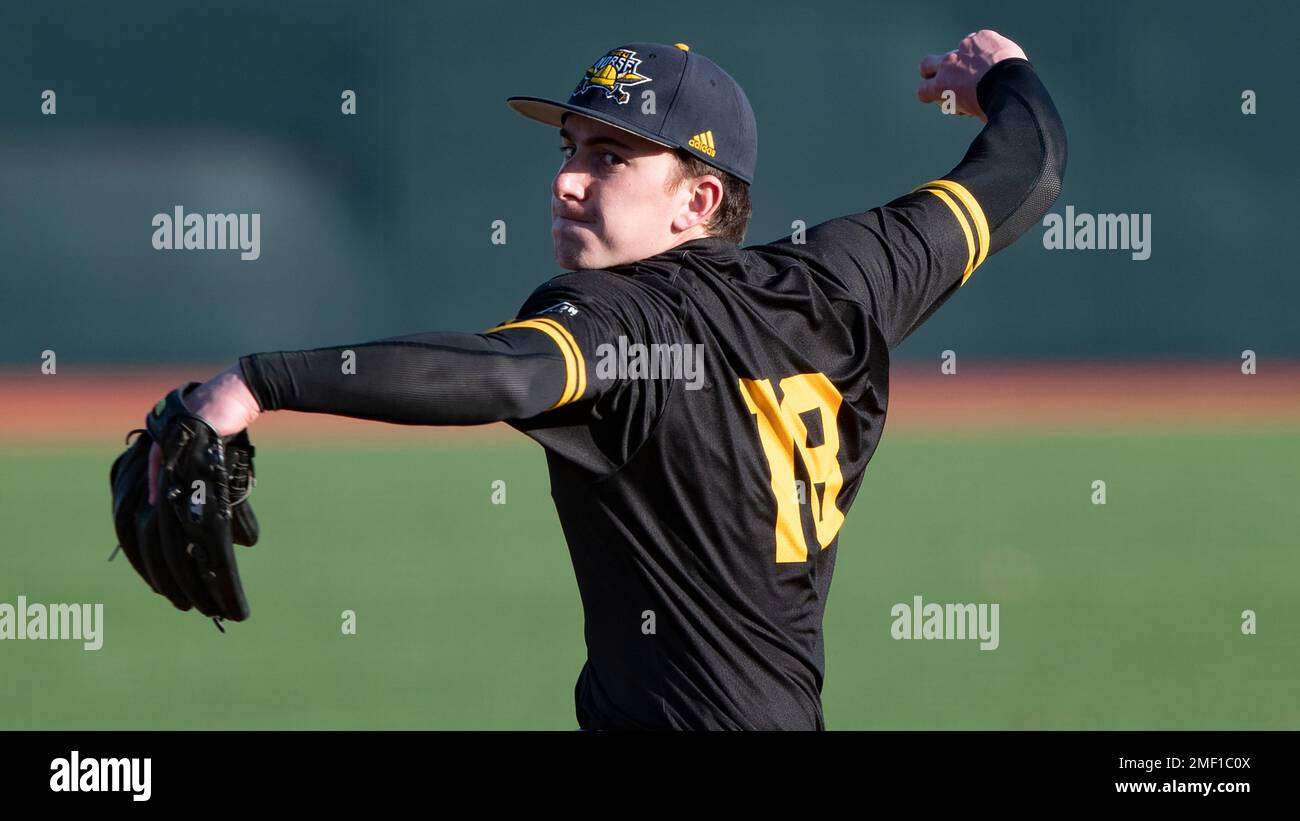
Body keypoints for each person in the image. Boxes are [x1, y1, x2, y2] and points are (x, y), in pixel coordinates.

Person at [145, 32, 1066, 729]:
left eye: (611, 157)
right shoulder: (843, 280)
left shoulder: (629, 318)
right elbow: (1027, 168)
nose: (569, 183)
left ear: (698, 200)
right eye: (570, 149)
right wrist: (1004, 76)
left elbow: (505, 376)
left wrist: (256, 382)